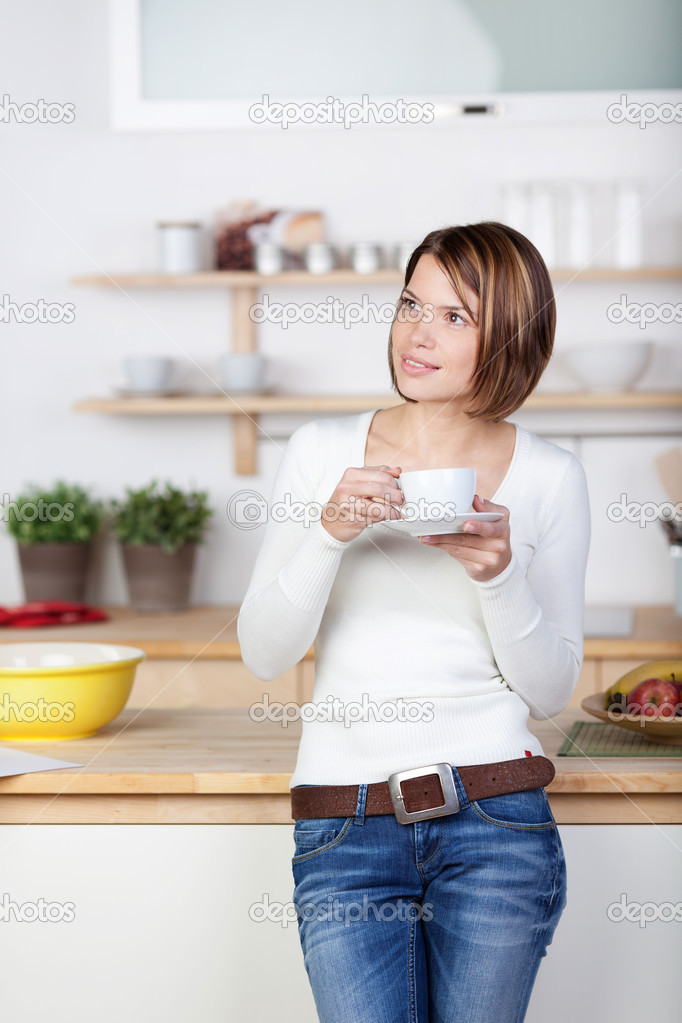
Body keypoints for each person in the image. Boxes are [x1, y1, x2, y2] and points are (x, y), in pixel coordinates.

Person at [237, 222, 591, 1023]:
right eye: (410, 304)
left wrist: (500, 576)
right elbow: (263, 652)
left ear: (509, 339)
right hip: (343, 822)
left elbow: (550, 690)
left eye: (454, 316)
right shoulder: (320, 451)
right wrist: (328, 533)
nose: (417, 333)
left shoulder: (551, 475)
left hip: (497, 820)